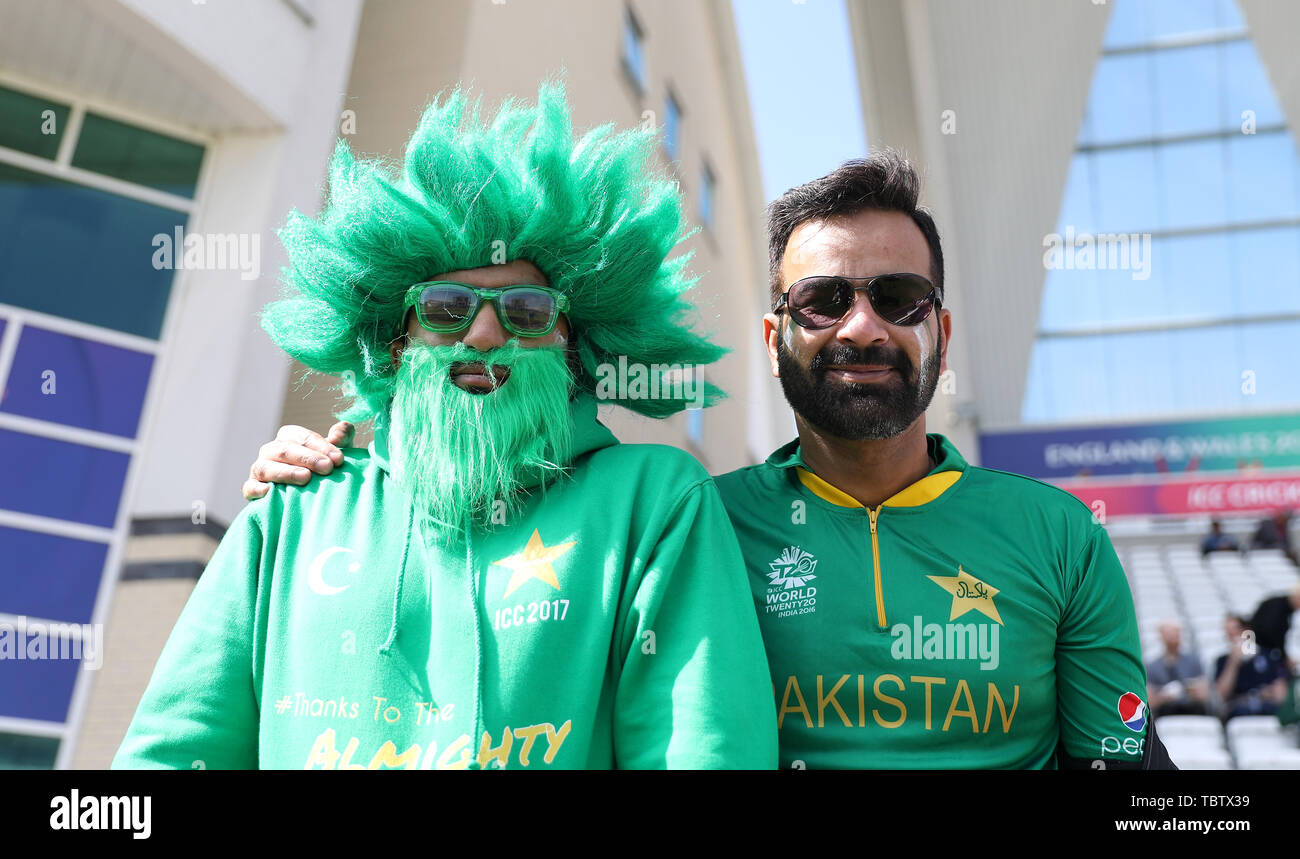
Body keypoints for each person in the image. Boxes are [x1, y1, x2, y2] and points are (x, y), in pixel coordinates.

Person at [245, 152, 1171, 768]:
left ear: (941, 327)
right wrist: (342, 482)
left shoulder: (1057, 536)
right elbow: (491, 508)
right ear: (773, 337)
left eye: (898, 296)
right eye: (823, 299)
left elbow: (1128, 775)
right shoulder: (683, 521)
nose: (862, 325)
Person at [113, 84, 777, 770]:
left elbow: (707, 751)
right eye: (446, 306)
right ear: (398, 347)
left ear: (572, 354)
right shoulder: (290, 515)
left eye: (526, 310)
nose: (484, 333)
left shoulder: (654, 502)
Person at [1214, 615, 1288, 722]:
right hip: (1238, 713)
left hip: (1268, 710)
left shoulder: (1269, 656)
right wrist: (1233, 663)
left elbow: (1281, 695)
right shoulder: (1223, 661)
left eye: (1236, 631)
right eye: (1229, 634)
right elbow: (1221, 696)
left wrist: (1267, 694)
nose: (1234, 637)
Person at [1145, 621, 1209, 718]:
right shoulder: (1152, 666)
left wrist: (1191, 690)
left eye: (1176, 633)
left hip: (1192, 709)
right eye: (1169, 633)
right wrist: (1164, 697)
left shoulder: (1193, 661)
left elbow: (1204, 695)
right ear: (1161, 636)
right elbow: (1149, 701)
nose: (1174, 636)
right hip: (1164, 711)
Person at [1248, 586, 1300, 670]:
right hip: (1262, 648)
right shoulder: (1280, 608)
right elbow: (1272, 631)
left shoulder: (1278, 604)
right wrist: (1283, 656)